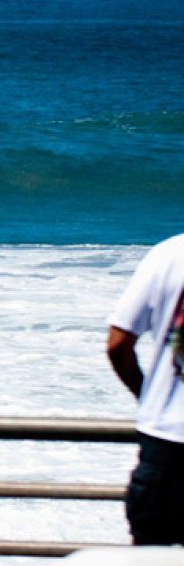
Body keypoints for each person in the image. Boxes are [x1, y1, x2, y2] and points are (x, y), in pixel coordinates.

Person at [108, 233, 184, 545]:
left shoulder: (169, 254)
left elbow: (118, 344)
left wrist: (150, 398)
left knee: (151, 564)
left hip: (168, 442)